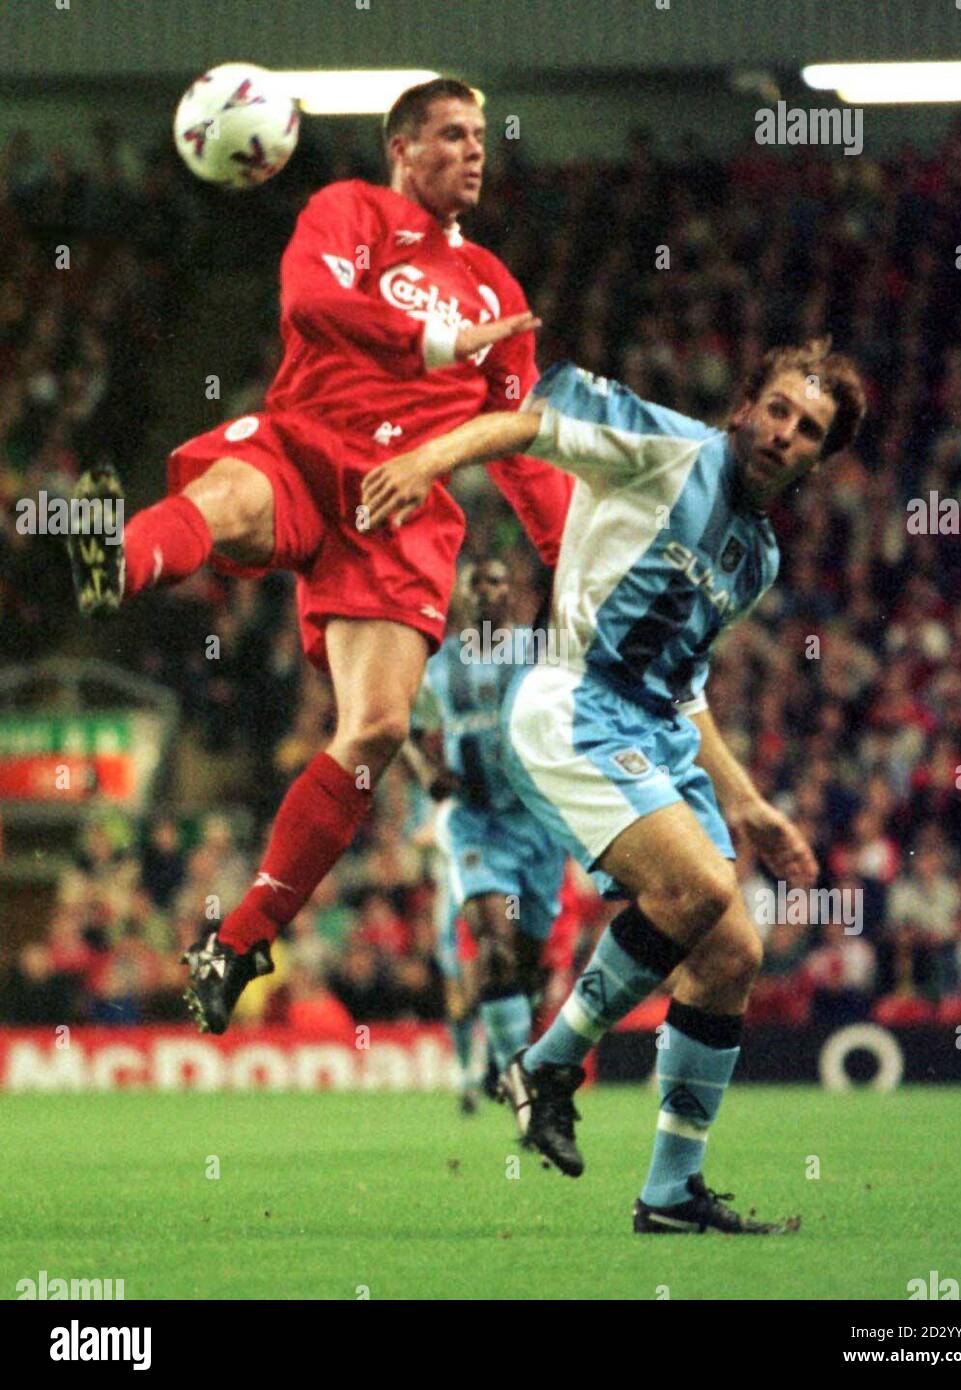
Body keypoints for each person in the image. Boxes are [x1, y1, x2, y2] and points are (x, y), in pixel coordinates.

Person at [65, 78, 571, 1034]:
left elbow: (519, 440)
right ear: (402, 148)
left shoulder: (500, 289)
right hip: (309, 445)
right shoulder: (349, 212)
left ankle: (242, 936)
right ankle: (116, 563)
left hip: (402, 510)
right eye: (452, 135)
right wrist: (430, 342)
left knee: (376, 730)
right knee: (227, 499)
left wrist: (572, 562)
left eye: (480, 137)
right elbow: (308, 301)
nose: (475, 151)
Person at [362, 337, 866, 1235]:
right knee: (700, 889)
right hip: (573, 705)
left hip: (657, 732)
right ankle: (548, 1064)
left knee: (732, 955)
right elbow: (531, 427)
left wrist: (748, 803)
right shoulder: (667, 446)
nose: (786, 433)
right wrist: (424, 459)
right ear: (746, 405)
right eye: (780, 409)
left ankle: (671, 1190)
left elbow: (687, 688)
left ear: (821, 460)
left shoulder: (757, 561)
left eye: (810, 429)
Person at [406, 557, 567, 1112]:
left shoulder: (540, 652)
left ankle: (507, 1059)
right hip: (477, 825)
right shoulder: (438, 668)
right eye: (475, 584)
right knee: (494, 951)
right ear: (460, 596)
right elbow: (399, 727)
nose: (486, 593)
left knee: (526, 969)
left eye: (497, 581)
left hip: (540, 827)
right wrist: (427, 772)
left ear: (512, 592)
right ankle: (515, 1084)